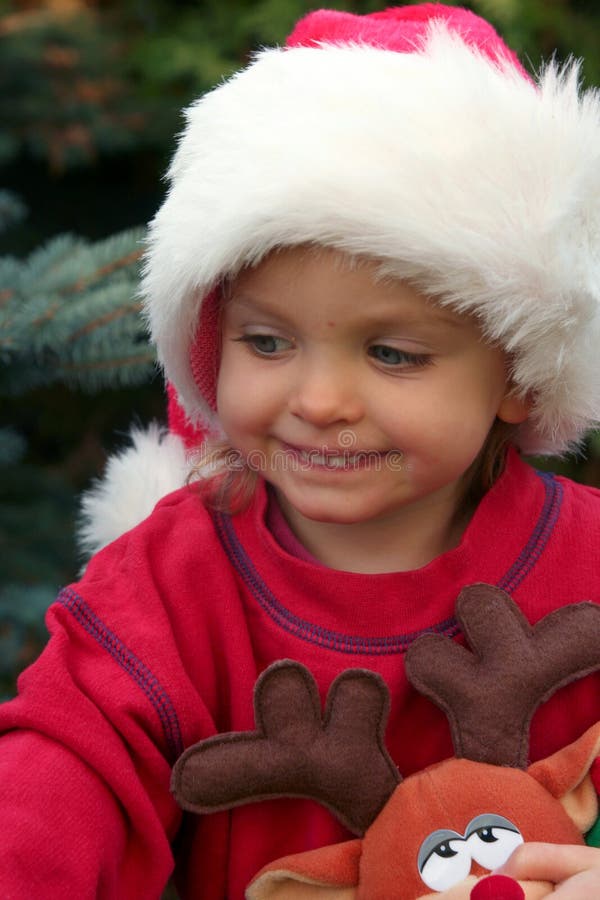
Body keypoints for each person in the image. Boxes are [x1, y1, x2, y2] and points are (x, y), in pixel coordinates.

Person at [1, 3, 600, 898]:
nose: (318, 403)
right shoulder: (170, 582)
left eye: (393, 353)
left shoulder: (586, 558)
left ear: (517, 373)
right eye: (268, 343)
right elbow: (63, 764)